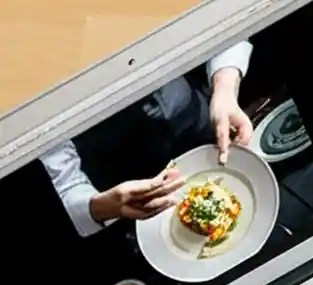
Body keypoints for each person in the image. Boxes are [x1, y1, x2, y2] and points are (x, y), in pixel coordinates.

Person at [39, 41, 255, 239]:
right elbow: (63, 185)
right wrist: (103, 206)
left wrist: (224, 88)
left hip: (206, 126)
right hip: (129, 199)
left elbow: (220, 16)